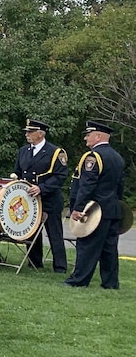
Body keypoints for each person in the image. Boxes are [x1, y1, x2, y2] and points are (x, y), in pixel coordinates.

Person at [65, 121, 127, 289]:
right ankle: (110, 283)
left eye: (88, 134)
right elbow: (119, 187)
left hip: (95, 211)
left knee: (87, 246)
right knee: (109, 249)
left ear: (98, 136)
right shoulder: (117, 157)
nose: (86, 138)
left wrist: (78, 208)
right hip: (112, 209)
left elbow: (87, 185)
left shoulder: (93, 157)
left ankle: (78, 281)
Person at [15, 119, 69, 273]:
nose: (27, 135)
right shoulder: (23, 151)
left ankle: (60, 266)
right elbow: (18, 171)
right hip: (30, 199)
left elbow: (60, 176)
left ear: (40, 133)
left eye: (30, 132)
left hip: (49, 199)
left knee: (54, 233)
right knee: (31, 231)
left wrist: (41, 188)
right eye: (27, 132)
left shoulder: (56, 152)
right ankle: (34, 262)